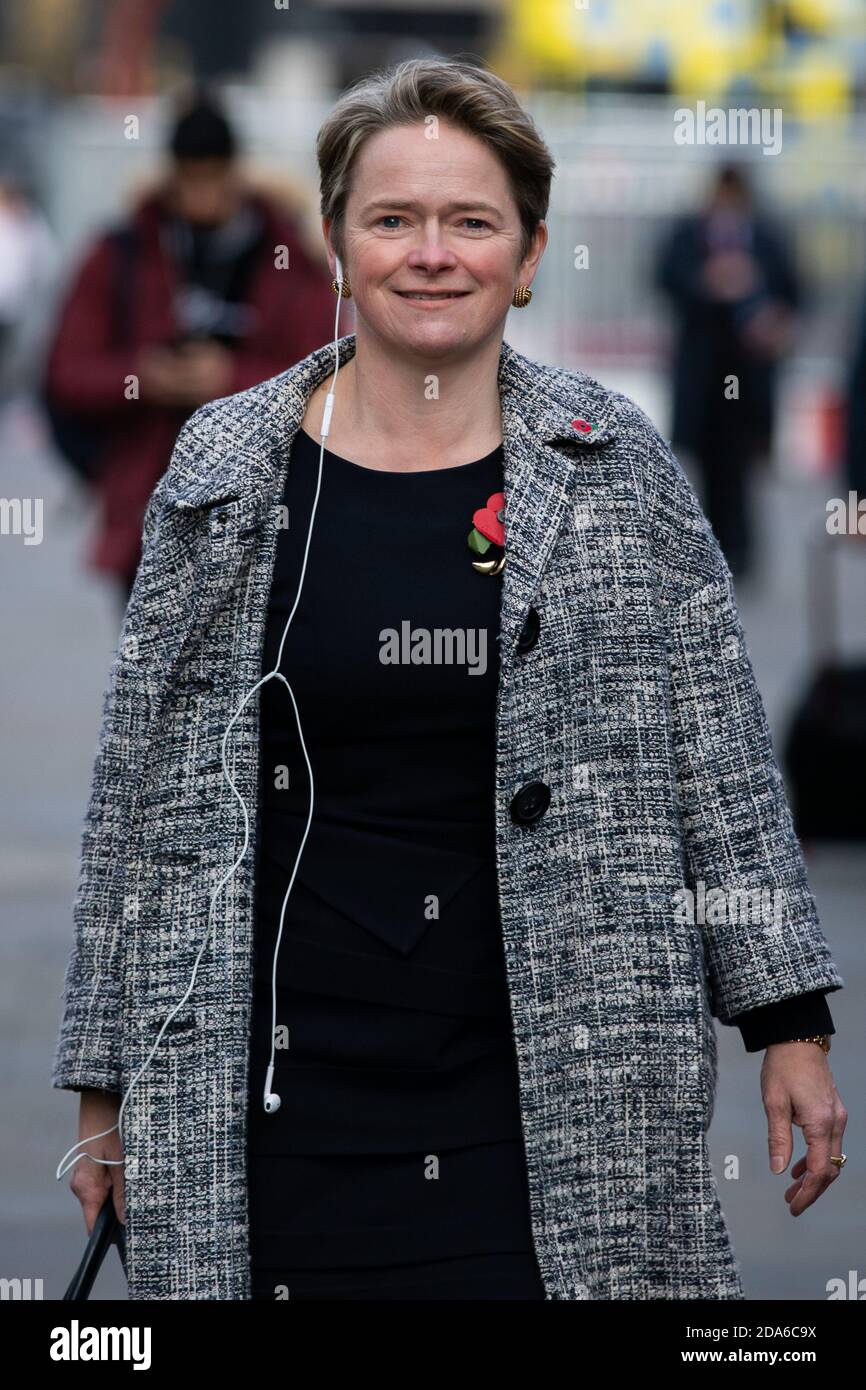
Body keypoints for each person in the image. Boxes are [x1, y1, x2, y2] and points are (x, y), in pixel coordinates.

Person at [53, 58, 846, 1301]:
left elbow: (722, 759)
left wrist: (786, 1021)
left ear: (528, 256)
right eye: (393, 219)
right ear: (336, 245)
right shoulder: (224, 466)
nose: (432, 253)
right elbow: (137, 799)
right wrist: (103, 1078)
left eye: (471, 222)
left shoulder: (611, 467)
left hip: (552, 1088)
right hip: (273, 1104)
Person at [42, 86, 335, 607]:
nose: (202, 196)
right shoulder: (121, 252)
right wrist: (145, 377)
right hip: (148, 518)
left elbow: (330, 375)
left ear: (235, 172)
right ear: (171, 173)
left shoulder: (290, 255)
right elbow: (67, 372)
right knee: (147, 685)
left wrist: (231, 378)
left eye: (213, 178)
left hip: (267, 520)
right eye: (190, 180)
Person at [655, 162, 801, 580]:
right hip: (703, 378)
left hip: (748, 381)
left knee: (740, 470)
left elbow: (793, 292)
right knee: (700, 466)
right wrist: (708, 282)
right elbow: (665, 278)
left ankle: (740, 553)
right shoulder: (688, 234)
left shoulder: (767, 238)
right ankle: (705, 552)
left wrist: (774, 320)